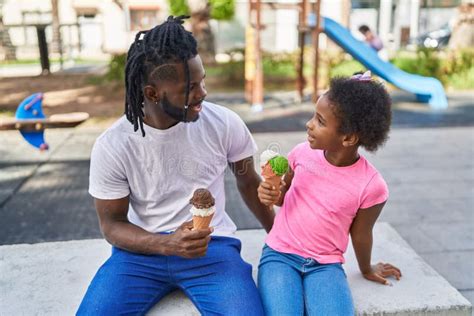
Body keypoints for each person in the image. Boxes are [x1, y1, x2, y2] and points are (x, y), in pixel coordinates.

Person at [77, 16, 272, 315]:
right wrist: (166, 245)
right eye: (190, 87)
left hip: (212, 246)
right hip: (139, 255)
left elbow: (248, 182)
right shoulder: (113, 145)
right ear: (152, 93)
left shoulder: (224, 123)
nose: (203, 92)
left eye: (202, 80)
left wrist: (282, 235)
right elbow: (112, 225)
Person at [257, 72, 402, 315]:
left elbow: (362, 234)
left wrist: (366, 268)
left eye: (320, 121)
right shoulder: (301, 153)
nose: (309, 124)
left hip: (325, 266)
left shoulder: (371, 185)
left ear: (348, 138)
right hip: (279, 256)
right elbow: (284, 197)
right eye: (314, 116)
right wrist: (270, 194)